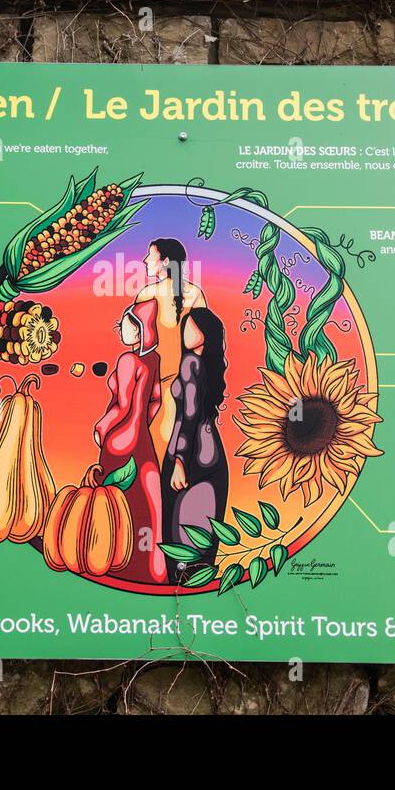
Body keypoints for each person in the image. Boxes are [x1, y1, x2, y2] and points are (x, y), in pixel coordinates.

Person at [94, 299, 166, 585]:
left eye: (123, 324)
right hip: (142, 442)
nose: (118, 329)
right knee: (146, 505)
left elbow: (122, 405)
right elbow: (155, 401)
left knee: (114, 503)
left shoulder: (127, 360)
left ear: (137, 332)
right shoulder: (154, 359)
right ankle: (150, 569)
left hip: (119, 441)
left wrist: (101, 428)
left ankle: (116, 564)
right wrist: (141, 426)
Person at [161, 307, 229, 583]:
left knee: (182, 549)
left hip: (189, 462)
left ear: (206, 334)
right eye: (185, 325)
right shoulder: (203, 365)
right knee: (200, 548)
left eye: (193, 325)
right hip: (211, 462)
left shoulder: (190, 364)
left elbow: (189, 417)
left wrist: (178, 461)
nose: (186, 329)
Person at [135, 238, 206, 465]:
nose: (145, 261)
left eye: (150, 256)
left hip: (157, 383)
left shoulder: (147, 294)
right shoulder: (195, 294)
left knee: (158, 445)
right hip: (191, 382)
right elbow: (206, 342)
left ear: (165, 261)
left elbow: (136, 343)